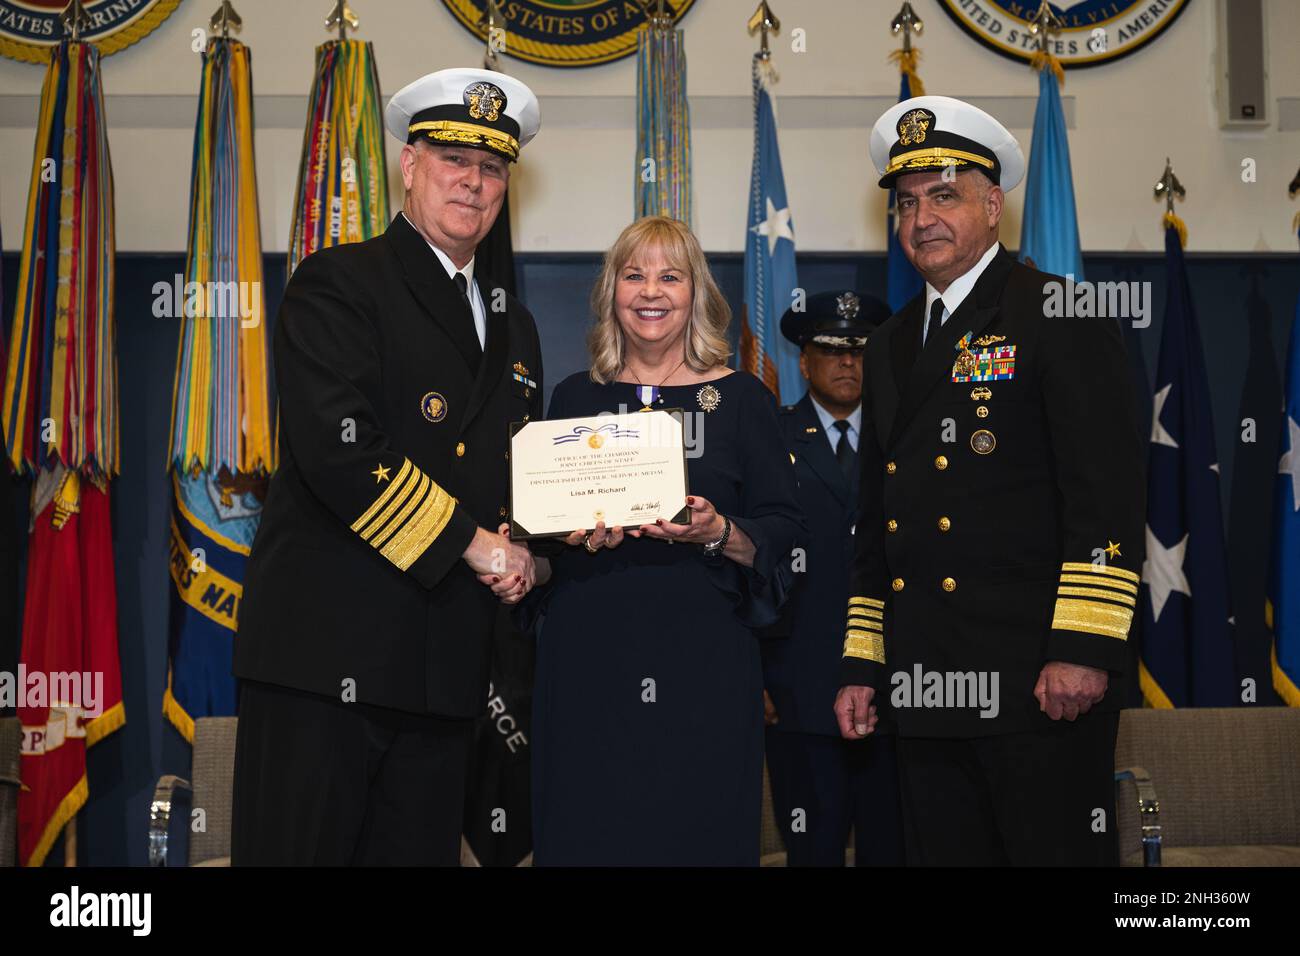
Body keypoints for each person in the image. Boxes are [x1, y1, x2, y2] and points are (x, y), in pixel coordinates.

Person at [230, 68, 544, 866]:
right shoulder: (339, 283)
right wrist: (479, 547)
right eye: (454, 161)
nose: (474, 184)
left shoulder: (516, 327)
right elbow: (344, 455)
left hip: (443, 679)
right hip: (325, 666)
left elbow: (513, 476)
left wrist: (531, 554)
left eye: (493, 168)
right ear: (410, 165)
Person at [833, 95, 1145, 866]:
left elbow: (1103, 499)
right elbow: (880, 521)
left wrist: (1083, 647)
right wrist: (864, 663)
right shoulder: (891, 344)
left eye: (944, 195)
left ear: (993, 203)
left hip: (1037, 683)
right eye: (907, 203)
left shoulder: (1060, 312)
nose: (921, 220)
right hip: (925, 684)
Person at [525, 216, 805, 866]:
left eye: (670, 276)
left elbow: (789, 537)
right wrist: (563, 536)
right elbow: (536, 538)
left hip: (703, 674)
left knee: (696, 836)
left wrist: (721, 531)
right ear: (611, 291)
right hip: (588, 671)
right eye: (634, 274)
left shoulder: (741, 401)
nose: (651, 291)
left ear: (695, 293)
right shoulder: (573, 398)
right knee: (587, 835)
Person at [762, 290, 905, 867]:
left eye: (862, 351)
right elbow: (751, 566)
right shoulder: (769, 438)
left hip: (896, 690)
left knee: (893, 853)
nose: (848, 363)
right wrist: (758, 674)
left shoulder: (908, 438)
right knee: (812, 852)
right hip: (798, 688)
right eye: (831, 350)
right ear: (803, 360)